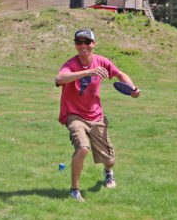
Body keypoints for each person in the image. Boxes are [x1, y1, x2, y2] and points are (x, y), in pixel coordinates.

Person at [55, 28, 141, 202]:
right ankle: (74, 190)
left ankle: (108, 172)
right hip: (74, 115)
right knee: (82, 148)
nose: (83, 46)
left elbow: (119, 74)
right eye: (79, 42)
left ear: (93, 43)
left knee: (109, 159)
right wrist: (88, 72)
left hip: (95, 116)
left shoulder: (101, 61)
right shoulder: (71, 64)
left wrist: (132, 88)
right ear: (75, 45)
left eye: (87, 42)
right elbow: (59, 79)